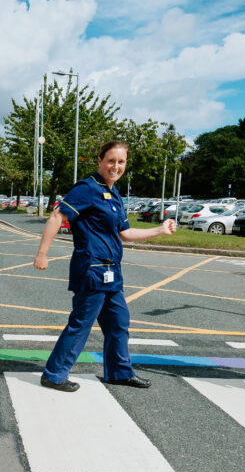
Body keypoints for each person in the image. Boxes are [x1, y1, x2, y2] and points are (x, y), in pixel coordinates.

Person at [32, 140, 177, 392]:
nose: (115, 166)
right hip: (92, 269)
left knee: (119, 322)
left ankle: (119, 372)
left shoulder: (115, 193)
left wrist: (160, 230)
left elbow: (126, 233)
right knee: (81, 324)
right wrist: (42, 253)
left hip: (112, 271)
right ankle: (54, 374)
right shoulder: (87, 188)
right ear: (99, 160)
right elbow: (57, 216)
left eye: (121, 162)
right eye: (111, 160)